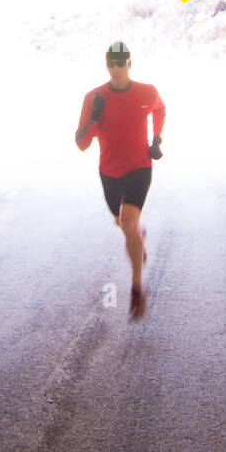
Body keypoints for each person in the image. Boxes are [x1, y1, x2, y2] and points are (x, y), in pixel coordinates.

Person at [75, 42, 165, 317]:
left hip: (139, 166)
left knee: (127, 221)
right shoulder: (94, 97)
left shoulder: (146, 91)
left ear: (129, 64)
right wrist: (94, 117)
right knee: (123, 223)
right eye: (110, 64)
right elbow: (81, 144)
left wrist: (156, 139)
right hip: (109, 171)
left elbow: (160, 109)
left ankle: (137, 288)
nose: (115, 69)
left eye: (119, 63)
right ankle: (137, 237)